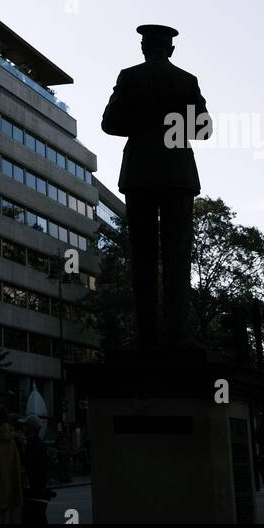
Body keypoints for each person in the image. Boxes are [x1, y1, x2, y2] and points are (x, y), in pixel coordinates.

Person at [101, 23, 212, 350]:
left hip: (140, 173)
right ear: (171, 50)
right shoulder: (185, 80)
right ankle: (179, 337)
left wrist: (143, 125)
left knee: (142, 257)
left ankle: (147, 338)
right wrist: (171, 130)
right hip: (177, 174)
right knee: (178, 257)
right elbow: (203, 129)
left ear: (143, 48)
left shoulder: (130, 77)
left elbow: (109, 123)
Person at [20, 419, 52, 525]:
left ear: (30, 428)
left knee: (32, 518)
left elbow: (27, 466)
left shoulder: (32, 446)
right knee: (38, 518)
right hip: (40, 489)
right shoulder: (40, 444)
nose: (23, 428)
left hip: (34, 490)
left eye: (25, 426)